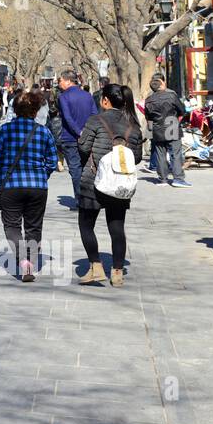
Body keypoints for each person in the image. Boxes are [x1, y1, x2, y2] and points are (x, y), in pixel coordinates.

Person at [76, 83, 144, 286]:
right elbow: (137, 157)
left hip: (93, 182)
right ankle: (117, 272)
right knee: (117, 227)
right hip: (119, 184)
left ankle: (96, 267)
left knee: (86, 225)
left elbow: (83, 147)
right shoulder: (133, 125)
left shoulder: (95, 121)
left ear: (105, 100)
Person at [0, 90, 58, 282]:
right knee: (34, 227)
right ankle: (31, 263)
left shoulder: (5, 130)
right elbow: (52, 161)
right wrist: (42, 176)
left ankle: (22, 259)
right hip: (37, 187)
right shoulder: (43, 131)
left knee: (11, 225)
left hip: (10, 185)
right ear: (35, 111)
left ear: (15, 110)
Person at [56, 70, 97, 207]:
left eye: (60, 80)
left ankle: (80, 199)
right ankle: (91, 197)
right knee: (88, 167)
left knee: (75, 169)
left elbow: (67, 118)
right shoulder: (87, 95)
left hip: (70, 138)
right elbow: (94, 115)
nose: (59, 83)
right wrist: (88, 132)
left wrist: (79, 132)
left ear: (68, 81)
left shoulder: (63, 97)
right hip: (88, 137)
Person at [144, 74, 192, 188]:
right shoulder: (171, 96)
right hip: (171, 125)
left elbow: (148, 117)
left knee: (160, 154)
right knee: (175, 153)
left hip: (157, 128)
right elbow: (182, 110)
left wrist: (149, 132)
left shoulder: (148, 100)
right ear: (162, 85)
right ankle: (178, 179)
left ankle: (163, 179)